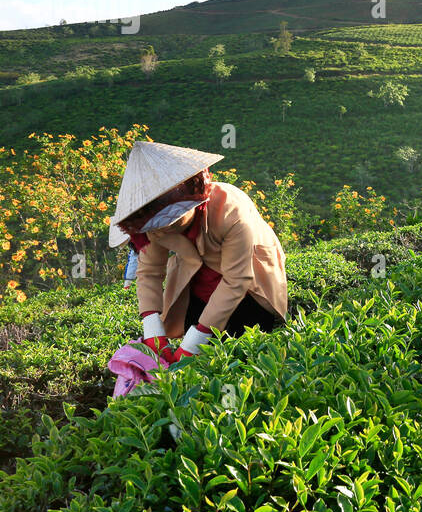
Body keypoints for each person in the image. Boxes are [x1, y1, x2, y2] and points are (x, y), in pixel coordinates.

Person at [108, 142, 288, 364]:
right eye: (159, 224)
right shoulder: (150, 219)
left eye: (173, 220)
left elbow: (236, 280)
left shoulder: (231, 209)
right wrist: (152, 328)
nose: (165, 229)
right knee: (200, 359)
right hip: (199, 279)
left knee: (245, 351)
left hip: (249, 282)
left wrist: (196, 338)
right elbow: (150, 272)